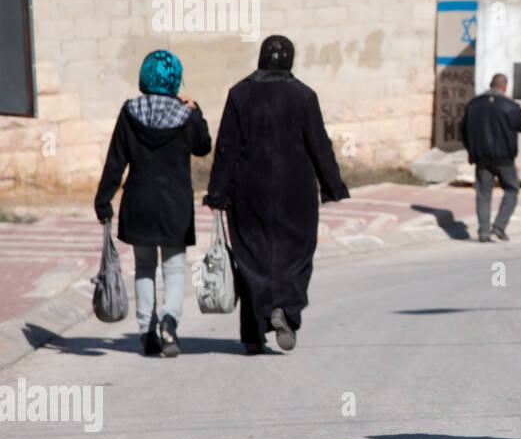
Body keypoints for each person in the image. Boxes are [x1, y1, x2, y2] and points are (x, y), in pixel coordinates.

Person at [203, 36, 349, 355]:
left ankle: (254, 335)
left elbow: (226, 146)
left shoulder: (239, 94)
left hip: (248, 190)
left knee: (252, 259)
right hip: (295, 191)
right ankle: (286, 310)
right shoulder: (304, 96)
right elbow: (319, 144)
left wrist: (217, 191)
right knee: (295, 255)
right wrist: (333, 185)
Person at [94, 50, 212, 357]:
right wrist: (196, 110)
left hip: (139, 203)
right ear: (175, 79)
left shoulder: (130, 111)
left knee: (144, 267)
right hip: (175, 205)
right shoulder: (185, 115)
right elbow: (203, 147)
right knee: (174, 268)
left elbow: (115, 161)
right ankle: (170, 322)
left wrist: (103, 200)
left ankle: (147, 332)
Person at [461, 73, 521, 242]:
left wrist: (470, 151)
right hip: (504, 158)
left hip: (481, 157)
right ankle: (499, 226)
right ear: (504, 87)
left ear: (490, 84)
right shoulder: (509, 105)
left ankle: (483, 232)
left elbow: (463, 129)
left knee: (483, 193)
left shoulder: (473, 104)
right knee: (512, 189)